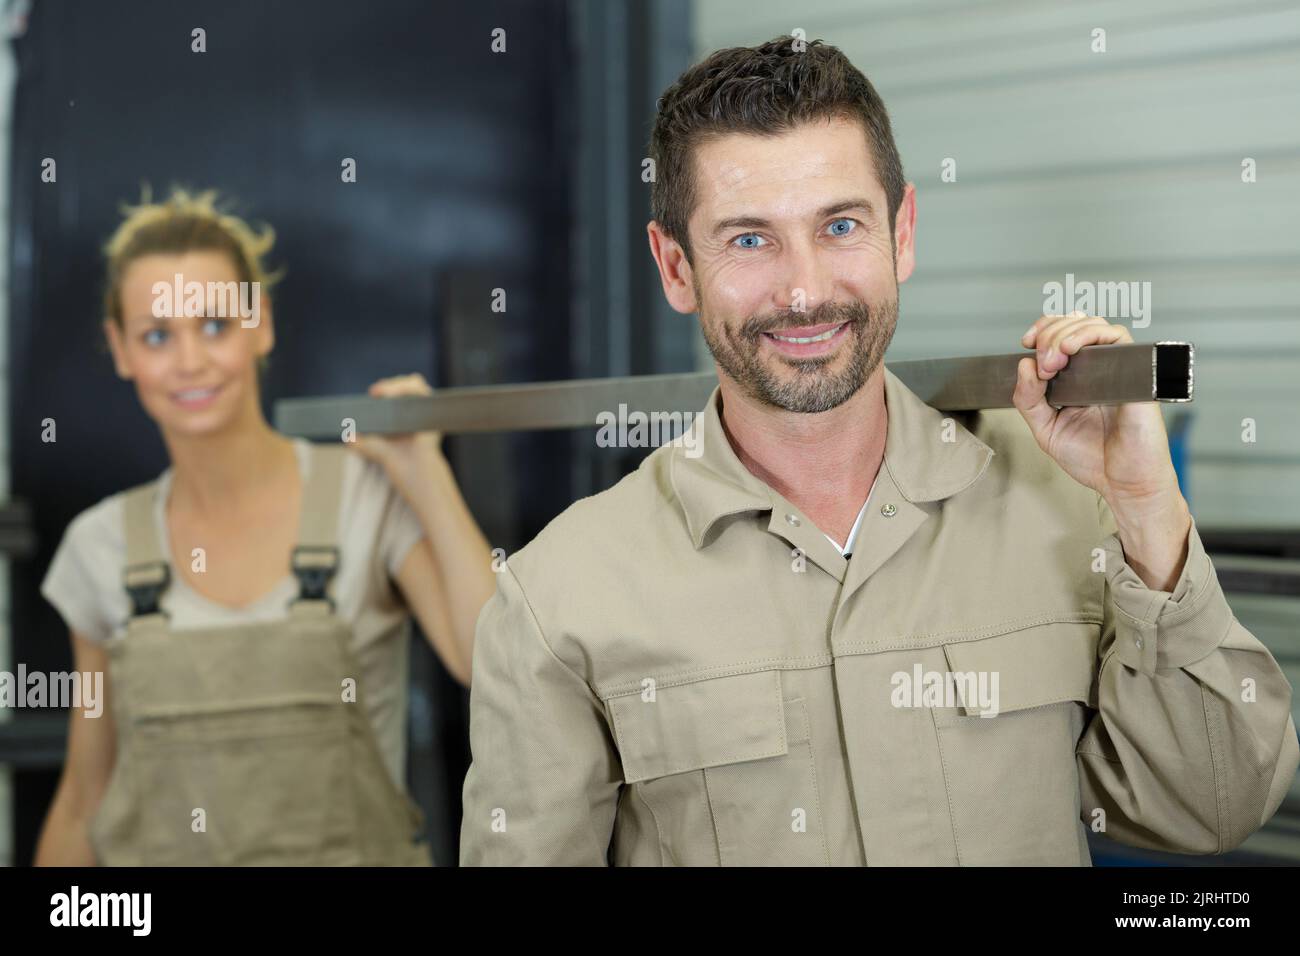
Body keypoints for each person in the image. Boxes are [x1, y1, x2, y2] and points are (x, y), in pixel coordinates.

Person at [459, 37, 1299, 865]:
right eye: (749, 239)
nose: (805, 290)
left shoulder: (1065, 510)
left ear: (902, 234)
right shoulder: (559, 597)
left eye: (840, 225)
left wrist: (1147, 513)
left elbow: (1214, 809)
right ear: (676, 267)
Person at [34, 187, 495, 865]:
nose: (190, 360)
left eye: (216, 325)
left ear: (262, 325)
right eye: (158, 335)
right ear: (121, 348)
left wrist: (424, 471)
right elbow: (83, 798)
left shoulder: (362, 501)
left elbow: (489, 662)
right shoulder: (99, 549)